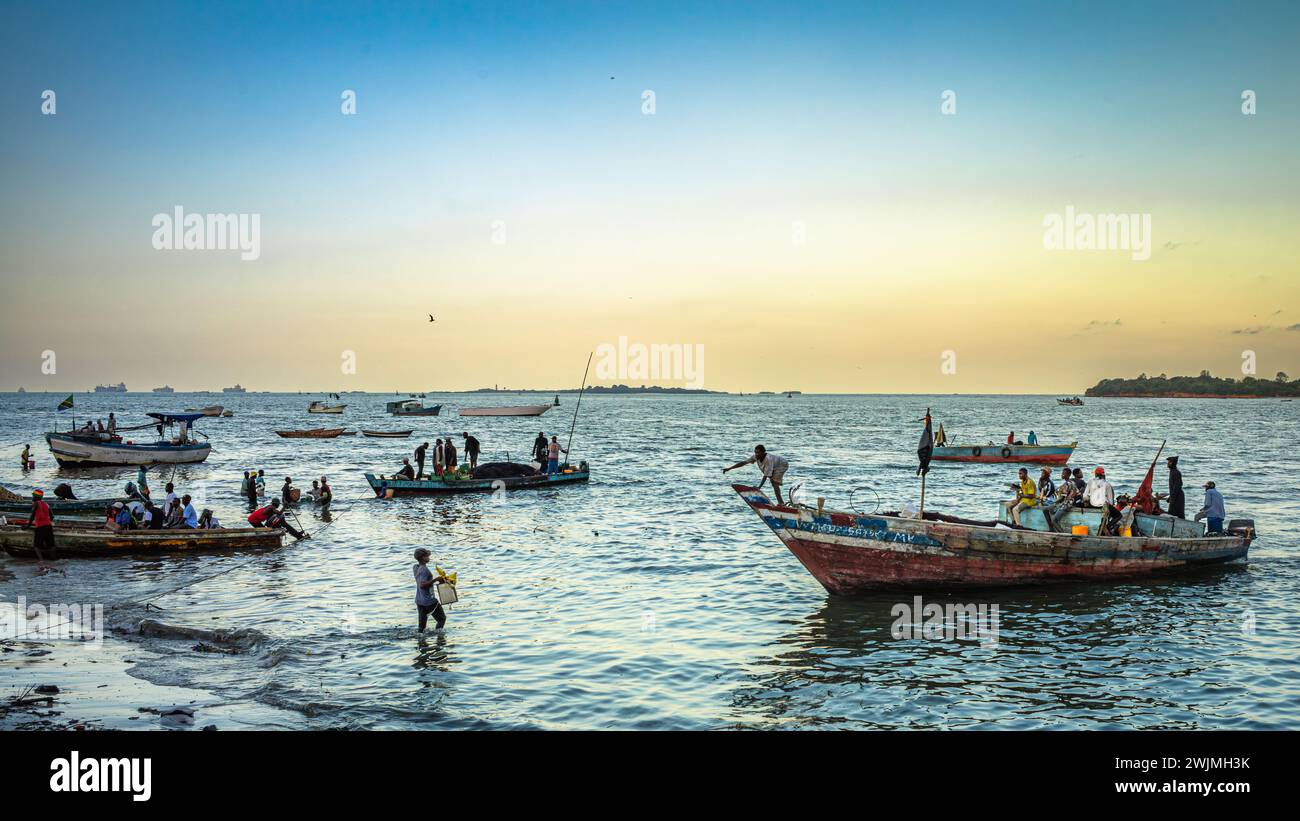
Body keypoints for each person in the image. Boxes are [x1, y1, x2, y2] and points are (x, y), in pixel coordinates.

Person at [723, 445, 789, 504]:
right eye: (755, 452)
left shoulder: (768, 459)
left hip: (782, 465)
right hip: (775, 464)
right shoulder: (755, 457)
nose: (756, 454)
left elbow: (765, 476)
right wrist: (729, 468)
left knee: (774, 482)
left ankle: (781, 503)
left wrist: (759, 487)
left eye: (758, 452)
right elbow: (744, 463)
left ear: (763, 453)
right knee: (773, 481)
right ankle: (781, 502)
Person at [412, 548, 447, 632]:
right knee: (442, 619)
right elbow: (422, 585)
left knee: (421, 627)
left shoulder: (415, 567)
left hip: (419, 601)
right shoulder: (424, 569)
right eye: (427, 556)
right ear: (422, 558)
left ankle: (421, 643)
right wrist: (437, 579)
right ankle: (440, 640)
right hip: (429, 600)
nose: (429, 557)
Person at [24, 490, 56, 571]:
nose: (32, 498)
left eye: (33, 496)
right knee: (51, 545)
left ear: (36, 497)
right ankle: (53, 560)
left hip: (40, 527)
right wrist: (46, 520)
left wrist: (27, 526)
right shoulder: (46, 504)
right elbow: (52, 516)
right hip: (48, 526)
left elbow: (32, 516)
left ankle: (41, 561)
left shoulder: (36, 503)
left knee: (36, 546)